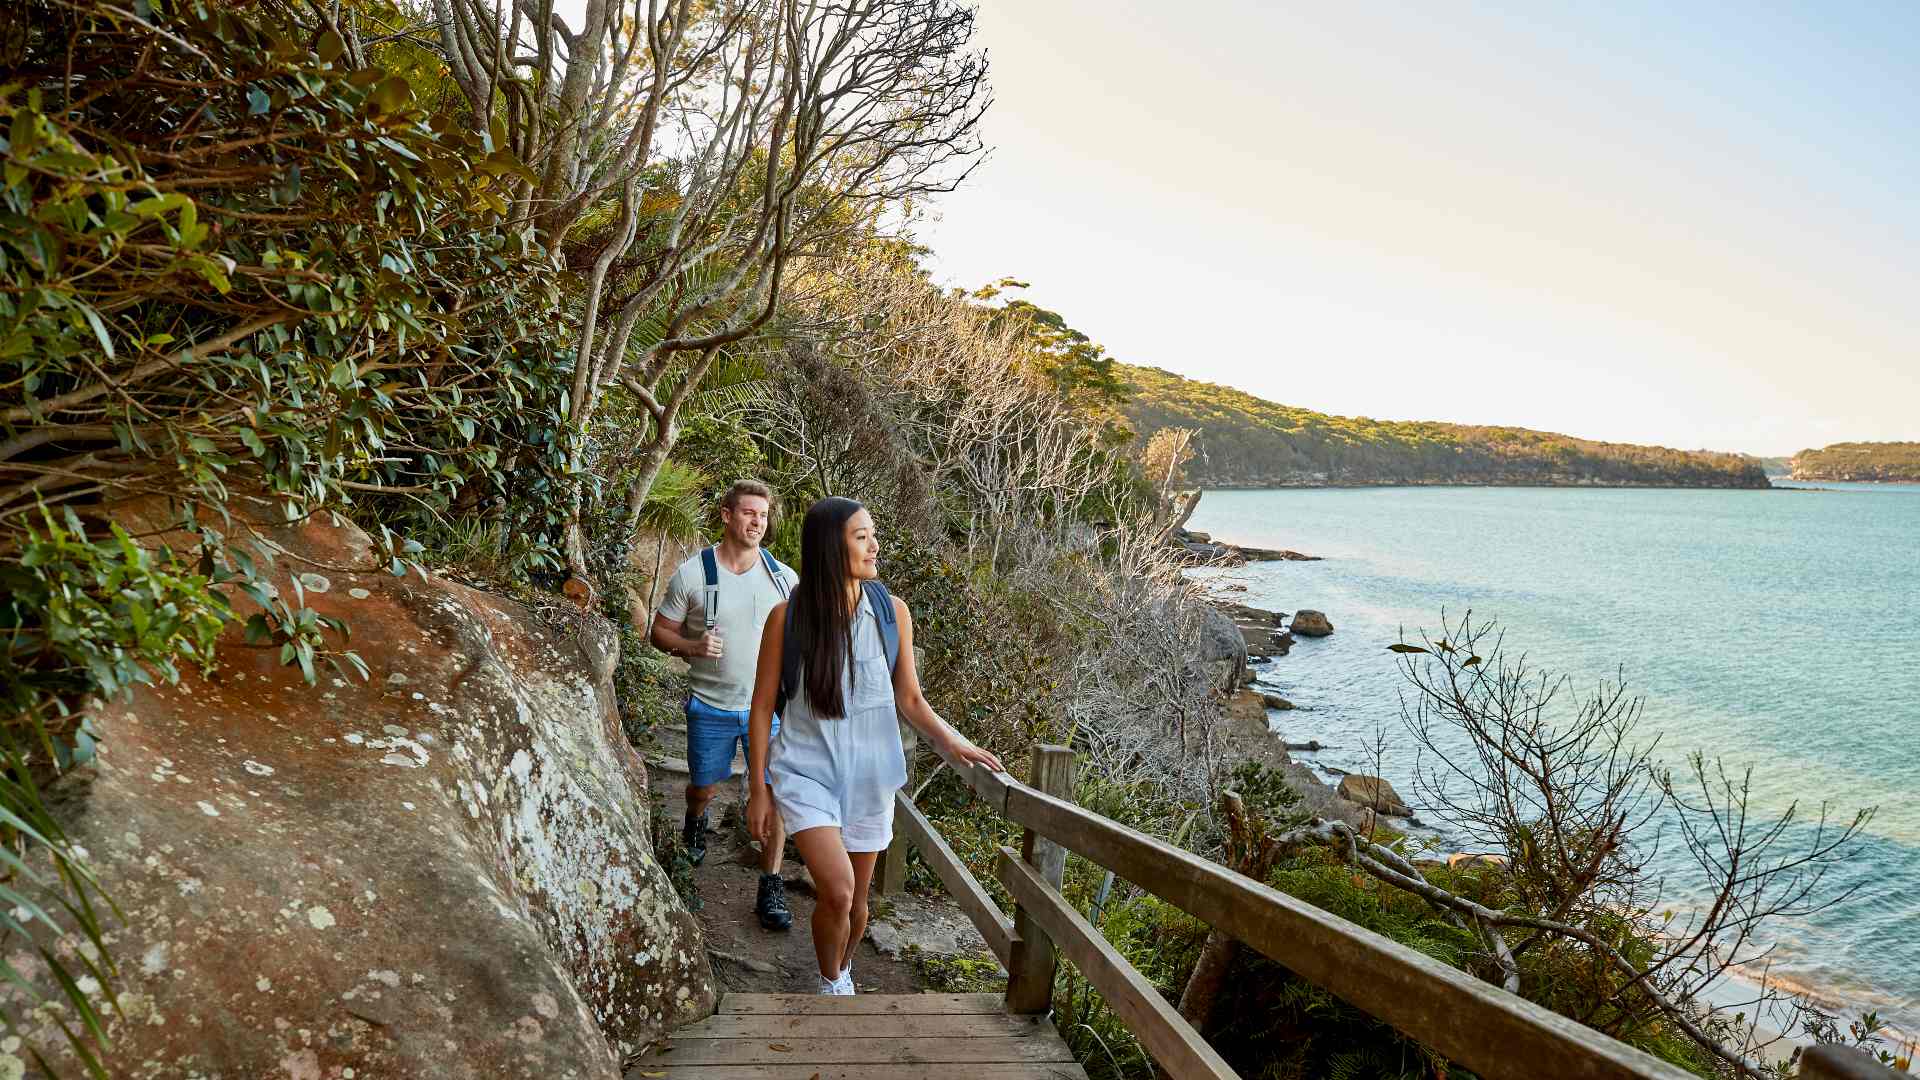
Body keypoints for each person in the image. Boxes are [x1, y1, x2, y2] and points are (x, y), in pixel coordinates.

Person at [745, 497, 1003, 994]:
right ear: (829, 548)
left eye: (872, 533)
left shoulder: (891, 612)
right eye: (861, 537)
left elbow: (909, 697)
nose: (874, 545)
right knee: (838, 892)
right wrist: (761, 788)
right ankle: (830, 984)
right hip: (805, 772)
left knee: (859, 903)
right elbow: (761, 707)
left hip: (871, 776)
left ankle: (842, 968)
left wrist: (956, 743)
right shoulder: (788, 618)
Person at [651, 479, 798, 931]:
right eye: (750, 512)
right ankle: (696, 819)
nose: (757, 522)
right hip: (710, 705)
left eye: (763, 514)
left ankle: (770, 885)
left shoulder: (784, 578)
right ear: (727, 515)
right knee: (703, 786)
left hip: (770, 711)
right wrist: (691, 647)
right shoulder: (693, 573)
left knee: (774, 798)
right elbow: (659, 633)